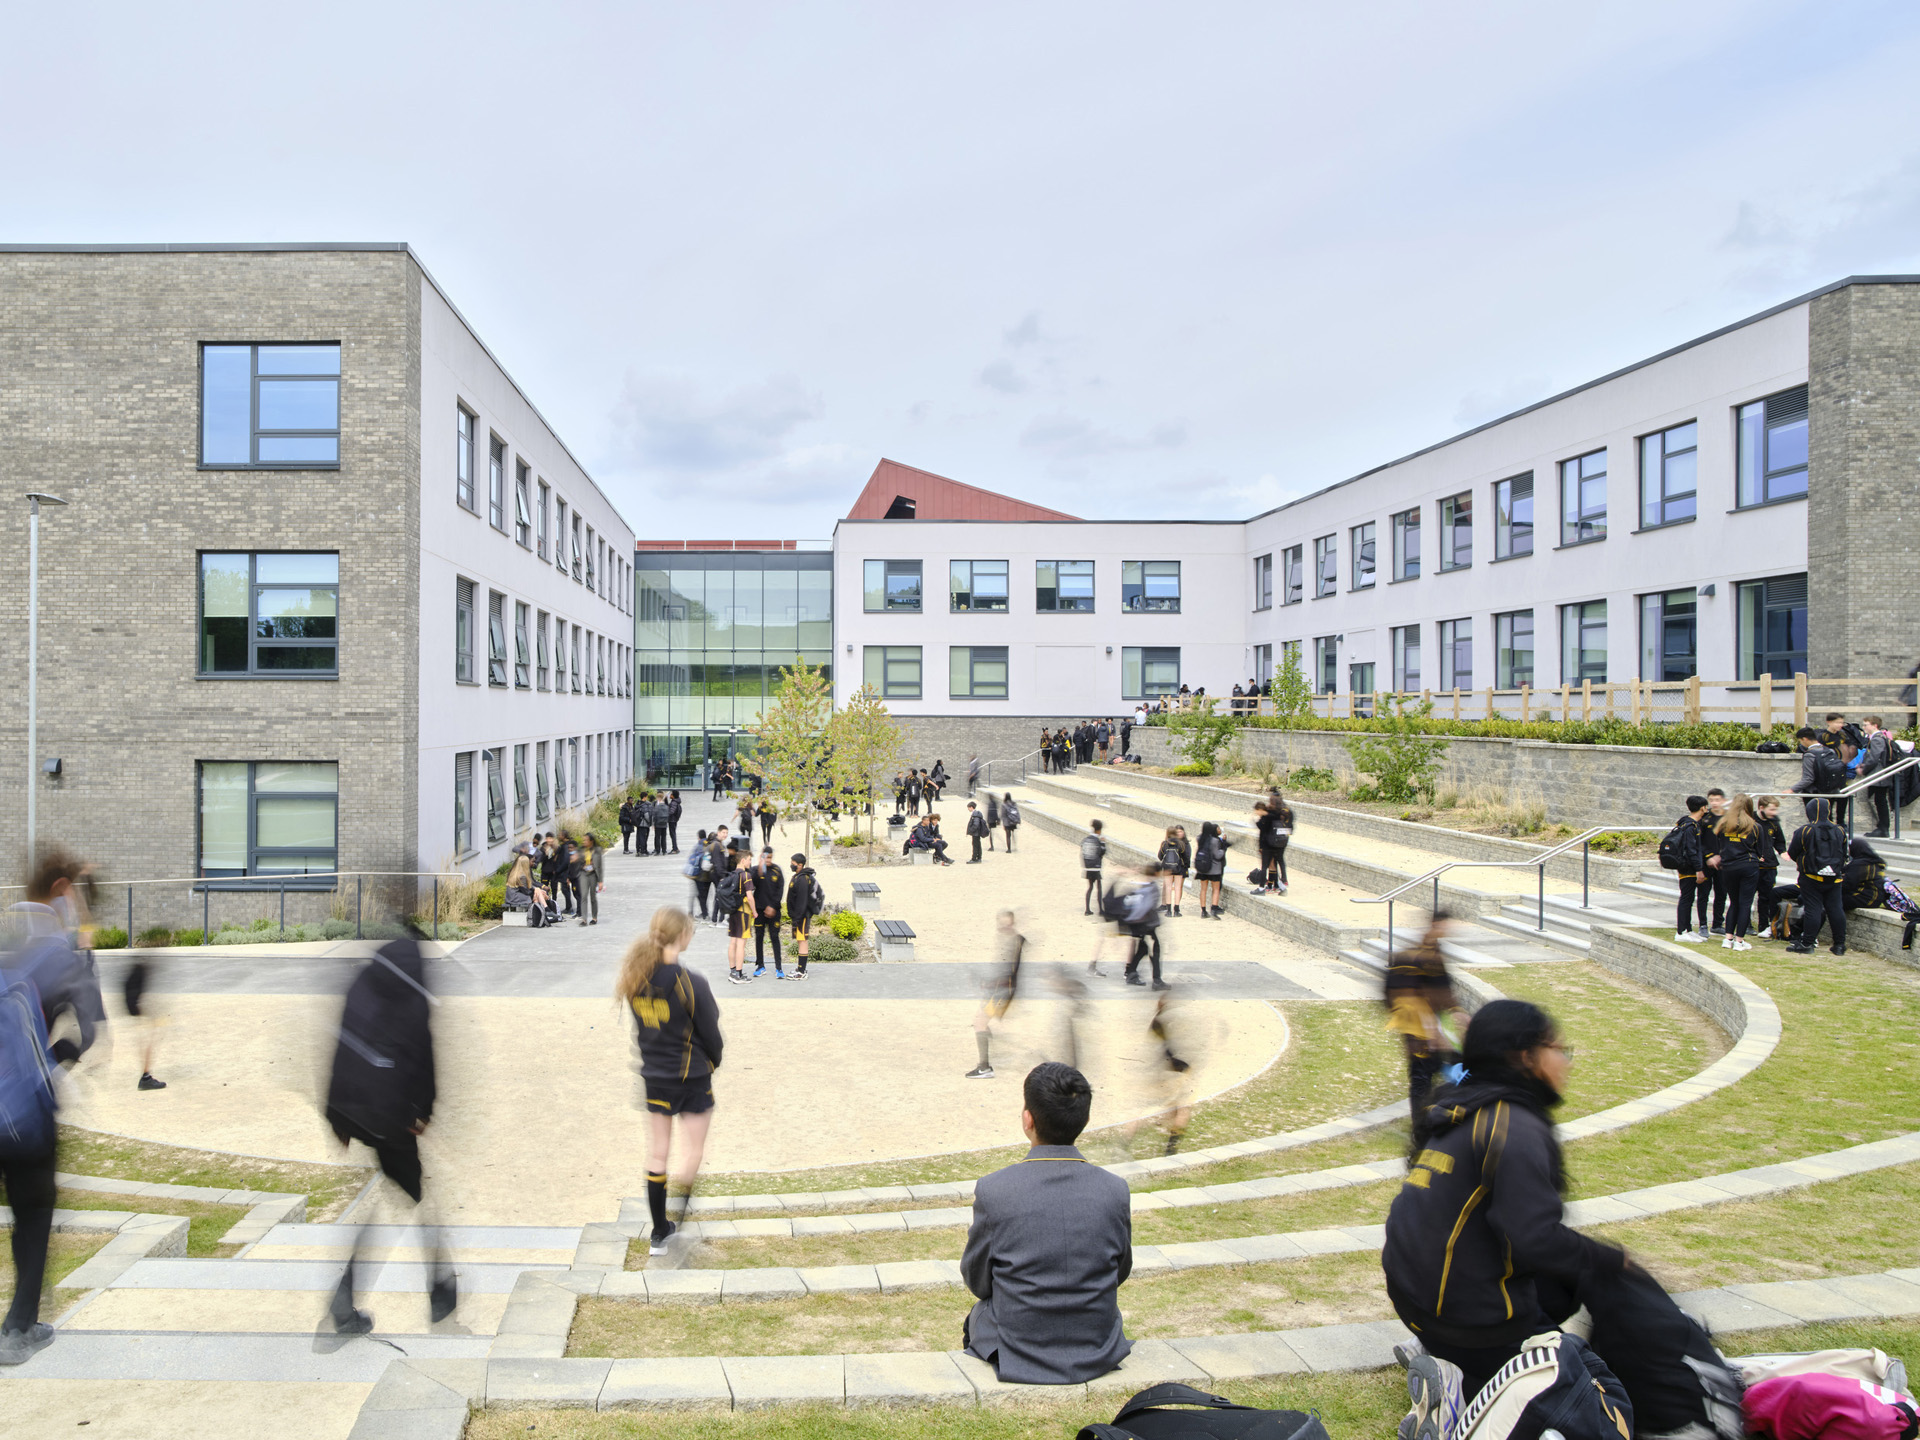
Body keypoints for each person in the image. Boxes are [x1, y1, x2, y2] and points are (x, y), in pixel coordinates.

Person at [1382, 999, 1627, 1404]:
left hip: (1413, 1297)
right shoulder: (1515, 1125)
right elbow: (1535, 1238)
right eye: (1558, 1050)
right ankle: (1458, 1395)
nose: (1565, 1062)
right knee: (1592, 1392)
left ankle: (1442, 1355)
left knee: (1566, 1278)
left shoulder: (1458, 1105)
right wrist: (1615, 1261)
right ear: (1527, 1057)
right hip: (1461, 1316)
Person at [961, 1063, 1132, 1384]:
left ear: (1028, 1119)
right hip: (1095, 1341)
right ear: (1085, 1119)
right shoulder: (1114, 1189)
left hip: (1019, 1344)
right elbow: (1119, 1272)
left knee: (977, 1317)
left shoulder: (995, 1189)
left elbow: (978, 1281)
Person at [1, 855, 106, 1366]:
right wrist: (50, 1062)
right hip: (24, 1116)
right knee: (34, 1213)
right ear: (62, 889)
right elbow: (90, 1029)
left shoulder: (5, 938)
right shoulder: (57, 953)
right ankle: (19, 1327)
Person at [323, 938, 456, 1337]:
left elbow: (342, 1043)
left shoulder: (362, 982)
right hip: (390, 1110)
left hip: (353, 1106)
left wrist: (337, 1114)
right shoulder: (413, 997)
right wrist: (423, 1112)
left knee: (402, 1190)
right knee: (411, 1196)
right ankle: (438, 1287)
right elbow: (422, 1057)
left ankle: (437, 1285)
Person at [617, 906, 723, 1258]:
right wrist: (713, 1062)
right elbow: (711, 1033)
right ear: (682, 936)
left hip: (655, 1078)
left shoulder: (635, 979)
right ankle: (680, 1215)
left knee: (657, 1154)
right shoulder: (691, 982)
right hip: (691, 1076)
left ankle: (659, 1231)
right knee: (692, 1152)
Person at [1383, 913, 1466, 1156]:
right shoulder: (1415, 956)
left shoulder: (1433, 952)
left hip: (1433, 1026)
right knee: (1421, 1079)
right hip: (1418, 1029)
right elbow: (1402, 993)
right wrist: (1428, 1028)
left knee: (1439, 1070)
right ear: (1434, 925)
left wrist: (1457, 1011)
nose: (1446, 930)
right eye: (1443, 925)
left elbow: (1442, 985)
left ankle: (1434, 1121)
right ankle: (1421, 1132)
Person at [1786, 797, 1850, 956]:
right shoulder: (1840, 830)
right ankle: (1839, 945)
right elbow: (1845, 853)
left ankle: (1807, 943)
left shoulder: (1805, 830)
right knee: (1835, 909)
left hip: (1811, 877)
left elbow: (1792, 853)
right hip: (1834, 877)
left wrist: (1804, 862)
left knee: (1813, 909)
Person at [1707, 793, 1769, 949]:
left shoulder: (1724, 824)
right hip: (1748, 865)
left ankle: (1728, 938)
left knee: (1733, 902)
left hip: (1728, 867)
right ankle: (1739, 940)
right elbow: (1761, 850)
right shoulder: (1755, 826)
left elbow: (1718, 844)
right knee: (1745, 903)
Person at [967, 910, 1025, 1079]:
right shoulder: (1012, 939)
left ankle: (984, 1067)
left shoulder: (1011, 943)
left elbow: (1009, 973)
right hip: (1000, 990)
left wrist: (988, 983)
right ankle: (988, 1050)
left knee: (979, 1022)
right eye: (1001, 925)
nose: (1003, 928)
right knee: (981, 1020)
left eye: (1007, 925)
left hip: (1001, 991)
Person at [1668, 795, 1710, 941]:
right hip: (1688, 867)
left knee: (1689, 897)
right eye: (1706, 806)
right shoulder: (1690, 826)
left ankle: (1688, 928)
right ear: (1702, 807)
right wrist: (1699, 869)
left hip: (1688, 866)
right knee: (1686, 898)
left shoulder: (1686, 823)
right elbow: (1692, 850)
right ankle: (1681, 932)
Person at [122, 959, 167, 1091]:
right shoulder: (143, 962)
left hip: (134, 994)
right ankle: (145, 1078)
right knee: (149, 1033)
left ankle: (146, 1076)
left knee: (148, 1033)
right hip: (135, 996)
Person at [1122, 865, 1168, 989]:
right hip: (1147, 926)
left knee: (1143, 950)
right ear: (1157, 873)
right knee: (1155, 951)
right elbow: (1148, 907)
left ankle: (1131, 973)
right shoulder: (1151, 888)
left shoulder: (1143, 886)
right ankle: (1157, 980)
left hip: (1139, 925)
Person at [1790, 726, 1846, 823]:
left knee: (1815, 821)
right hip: (1831, 790)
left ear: (1805, 739)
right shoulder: (1830, 751)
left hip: (1814, 793)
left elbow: (1808, 778)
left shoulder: (1810, 755)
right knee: (1828, 819)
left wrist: (1792, 789)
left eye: (1801, 741)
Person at [1756, 796, 1790, 938]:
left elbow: (1779, 840)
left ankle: (1764, 925)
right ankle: (1744, 925)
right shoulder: (1750, 820)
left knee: (1766, 896)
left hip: (1769, 865)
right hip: (1754, 864)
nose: (1774, 812)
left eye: (1775, 809)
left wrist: (1783, 852)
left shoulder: (1774, 822)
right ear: (1761, 808)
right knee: (1746, 896)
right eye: (1771, 809)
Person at [750, 848, 786, 979]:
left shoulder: (777, 870)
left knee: (774, 938)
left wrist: (773, 907)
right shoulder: (756, 870)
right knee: (759, 937)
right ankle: (760, 966)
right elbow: (752, 886)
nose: (769, 860)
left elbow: (780, 891)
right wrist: (760, 868)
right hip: (759, 911)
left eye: (771, 857)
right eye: (766, 857)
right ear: (762, 857)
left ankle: (779, 968)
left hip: (774, 912)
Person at [717, 852, 753, 983]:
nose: (750, 862)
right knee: (741, 944)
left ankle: (732, 971)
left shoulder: (732, 875)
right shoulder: (746, 876)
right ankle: (739, 974)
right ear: (743, 860)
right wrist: (755, 911)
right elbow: (749, 897)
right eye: (749, 860)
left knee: (733, 942)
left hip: (732, 911)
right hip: (743, 912)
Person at [785, 852, 821, 981]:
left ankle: (802, 971)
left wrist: (797, 918)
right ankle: (800, 968)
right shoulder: (798, 876)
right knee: (800, 940)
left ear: (800, 865)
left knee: (802, 940)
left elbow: (802, 900)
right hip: (799, 916)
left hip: (802, 916)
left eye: (793, 864)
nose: (791, 865)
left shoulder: (802, 879)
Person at [1860, 716, 1894, 837]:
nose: (1864, 727)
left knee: (1879, 800)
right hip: (1878, 774)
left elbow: (1874, 757)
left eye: (1866, 725)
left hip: (1878, 775)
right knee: (1878, 800)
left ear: (1875, 725)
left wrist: (1863, 769)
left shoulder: (1877, 739)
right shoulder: (1877, 738)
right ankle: (1881, 827)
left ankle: (1883, 828)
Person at [1701, 789, 1729, 933]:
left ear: (1723, 800)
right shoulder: (1705, 819)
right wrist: (1709, 856)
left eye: (1717, 800)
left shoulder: (1728, 818)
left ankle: (1718, 923)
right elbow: (1700, 841)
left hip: (1723, 862)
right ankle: (1702, 924)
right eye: (1712, 800)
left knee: (1721, 893)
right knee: (1703, 894)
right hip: (1707, 863)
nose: (1715, 803)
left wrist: (1722, 856)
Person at [1191, 820, 1227, 919]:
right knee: (1215, 889)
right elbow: (1217, 855)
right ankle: (1214, 910)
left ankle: (1203, 911)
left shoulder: (1199, 838)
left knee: (1203, 889)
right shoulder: (1215, 841)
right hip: (1214, 868)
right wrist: (1223, 849)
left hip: (1202, 868)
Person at [1159, 826, 1191, 918]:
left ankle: (1168, 910)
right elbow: (1185, 858)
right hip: (1178, 868)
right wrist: (1185, 865)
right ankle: (1176, 910)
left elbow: (1160, 856)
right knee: (1177, 888)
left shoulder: (1164, 844)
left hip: (1167, 868)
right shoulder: (1181, 844)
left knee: (1168, 888)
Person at [1081, 819, 1107, 916]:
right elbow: (1102, 852)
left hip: (1088, 867)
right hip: (1096, 867)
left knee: (1090, 887)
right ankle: (1100, 909)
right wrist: (1103, 843)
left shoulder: (1086, 839)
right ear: (1099, 830)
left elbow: (1083, 852)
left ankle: (1087, 909)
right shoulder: (1098, 840)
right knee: (1099, 887)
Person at [577, 834, 604, 926]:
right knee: (584, 895)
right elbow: (577, 863)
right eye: (583, 840)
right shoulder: (581, 850)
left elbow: (600, 867)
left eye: (586, 840)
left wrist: (600, 881)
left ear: (591, 841)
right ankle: (584, 919)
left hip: (593, 874)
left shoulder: (597, 851)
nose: (584, 842)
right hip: (583, 874)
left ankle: (594, 918)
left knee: (593, 897)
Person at [687, 829, 714, 920]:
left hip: (698, 875)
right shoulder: (710, 845)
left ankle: (698, 913)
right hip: (708, 875)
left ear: (698, 837)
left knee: (697, 894)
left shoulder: (697, 846)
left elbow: (692, 859)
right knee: (704, 895)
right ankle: (704, 912)